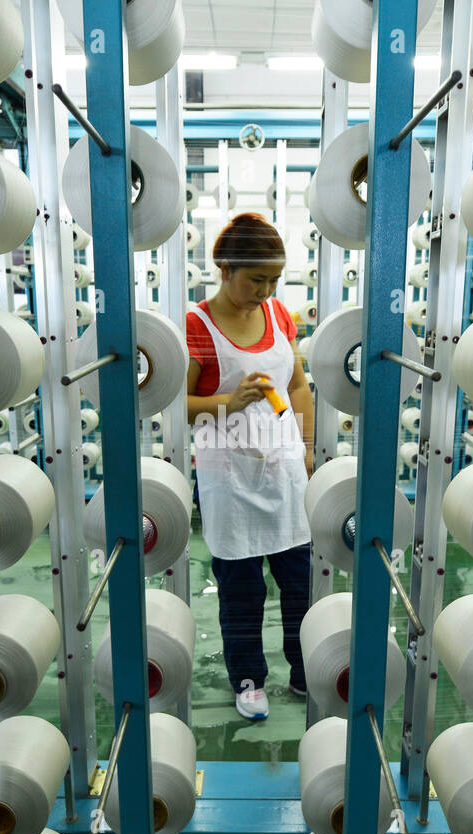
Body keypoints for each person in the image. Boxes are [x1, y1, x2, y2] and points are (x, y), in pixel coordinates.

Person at [186, 213, 313, 721]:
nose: (265, 290)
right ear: (224, 268)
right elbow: (174, 404)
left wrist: (305, 443)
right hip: (230, 478)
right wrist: (225, 403)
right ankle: (248, 679)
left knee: (300, 583)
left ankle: (306, 672)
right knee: (241, 588)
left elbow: (297, 386)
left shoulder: (280, 315)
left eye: (273, 280)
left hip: (284, 474)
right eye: (255, 279)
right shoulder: (198, 324)